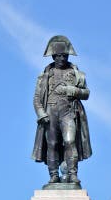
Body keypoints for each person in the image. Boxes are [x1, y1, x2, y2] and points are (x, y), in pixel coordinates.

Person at [32, 35, 91, 186]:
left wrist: (71, 90)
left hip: (68, 112)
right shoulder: (45, 74)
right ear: (53, 56)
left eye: (64, 55)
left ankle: (72, 174)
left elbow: (86, 93)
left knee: (70, 141)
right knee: (51, 144)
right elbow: (37, 98)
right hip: (50, 112)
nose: (62, 58)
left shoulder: (75, 72)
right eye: (58, 56)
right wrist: (41, 113)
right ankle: (53, 175)